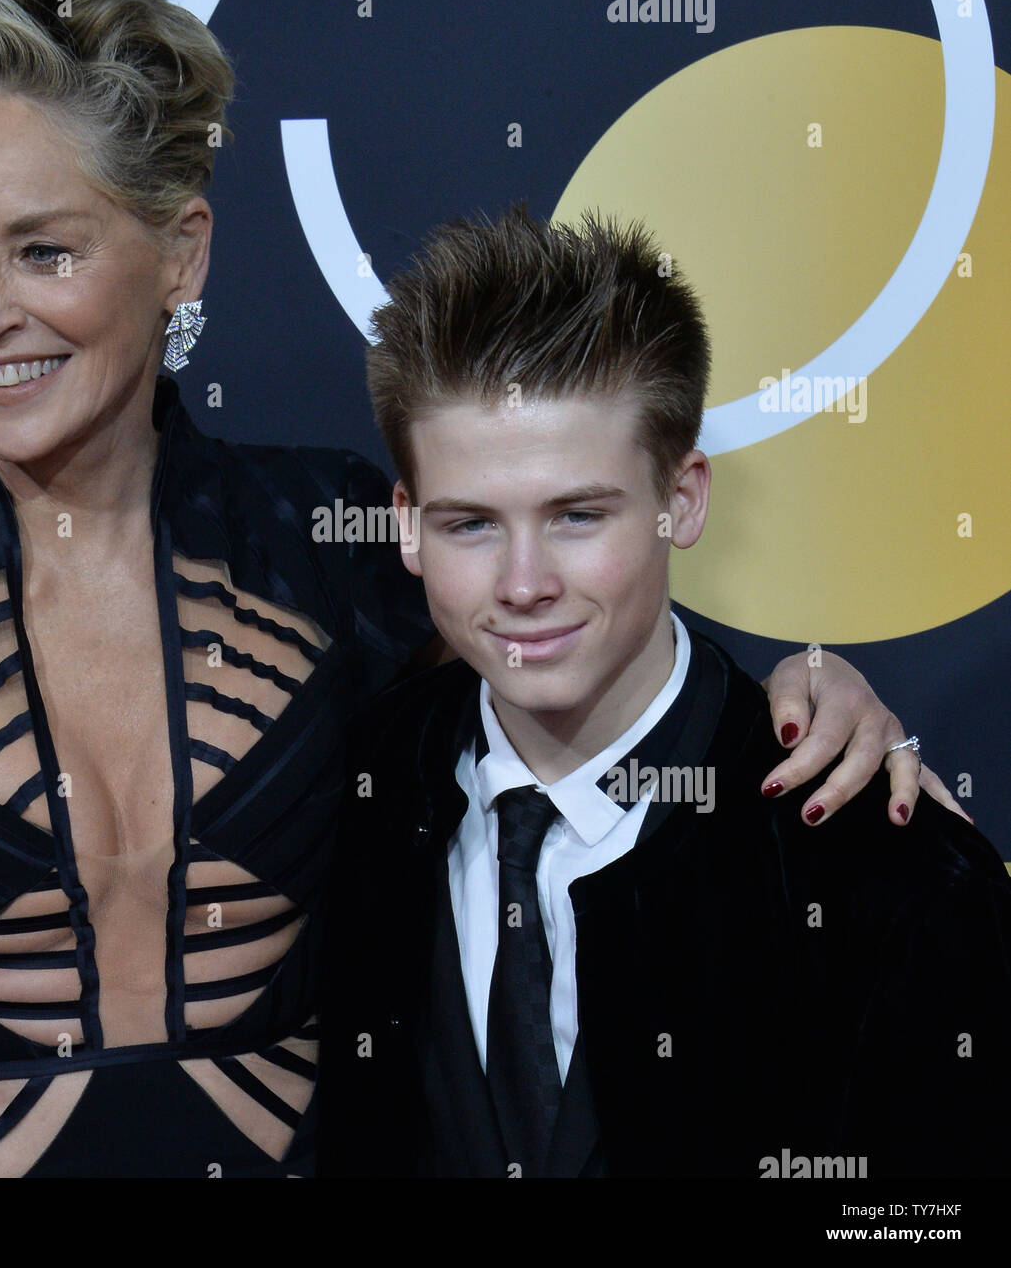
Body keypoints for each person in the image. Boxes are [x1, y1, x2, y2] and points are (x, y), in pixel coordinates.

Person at [0, 0, 952, 1179]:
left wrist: (801, 701)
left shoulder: (337, 545)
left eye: (43, 251)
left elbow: (561, 676)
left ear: (182, 252)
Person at [317, 205, 1011, 1178]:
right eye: (469, 524)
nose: (522, 583)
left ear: (678, 501)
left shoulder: (871, 860)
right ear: (405, 524)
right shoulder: (349, 790)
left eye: (575, 515)